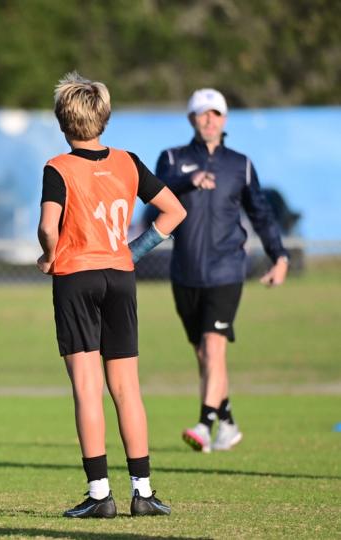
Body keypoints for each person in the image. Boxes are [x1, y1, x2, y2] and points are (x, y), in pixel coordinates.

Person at [37, 71, 186, 518]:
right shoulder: (127, 161)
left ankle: (100, 495)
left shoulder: (58, 167)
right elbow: (173, 211)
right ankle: (143, 491)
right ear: (104, 117)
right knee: (127, 388)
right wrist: (136, 250)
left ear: (64, 122)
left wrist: (48, 255)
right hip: (120, 277)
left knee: (88, 389)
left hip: (76, 277)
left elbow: (48, 226)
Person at [155, 88, 289, 453]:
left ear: (225, 119)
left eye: (216, 113)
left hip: (227, 270)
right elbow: (154, 196)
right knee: (204, 355)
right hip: (185, 272)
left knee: (214, 349)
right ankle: (227, 423)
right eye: (203, 113)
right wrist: (189, 180)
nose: (209, 119)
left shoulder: (240, 164)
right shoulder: (171, 158)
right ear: (191, 119)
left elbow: (261, 212)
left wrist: (280, 256)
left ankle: (204, 424)